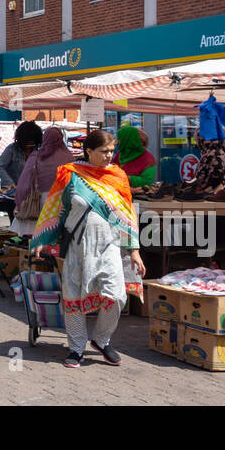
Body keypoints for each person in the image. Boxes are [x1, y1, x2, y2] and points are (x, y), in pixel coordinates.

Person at [32, 128, 144, 367]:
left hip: (110, 247)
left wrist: (134, 250)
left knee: (115, 297)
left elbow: (128, 214)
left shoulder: (118, 177)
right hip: (78, 246)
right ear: (89, 151)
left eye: (112, 151)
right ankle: (76, 348)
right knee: (74, 297)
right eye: (103, 151)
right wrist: (43, 239)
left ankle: (102, 340)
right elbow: (55, 208)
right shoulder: (71, 176)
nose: (109, 156)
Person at [13, 126, 75, 236]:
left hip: (38, 203)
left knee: (32, 239)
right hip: (61, 203)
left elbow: (24, 184)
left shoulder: (36, 157)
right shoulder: (69, 158)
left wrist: (18, 203)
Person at [0, 121, 43, 190]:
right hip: (10, 190)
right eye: (27, 143)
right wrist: (12, 185)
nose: (29, 146)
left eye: (32, 143)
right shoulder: (11, 149)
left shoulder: (36, 151)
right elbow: (0, 168)